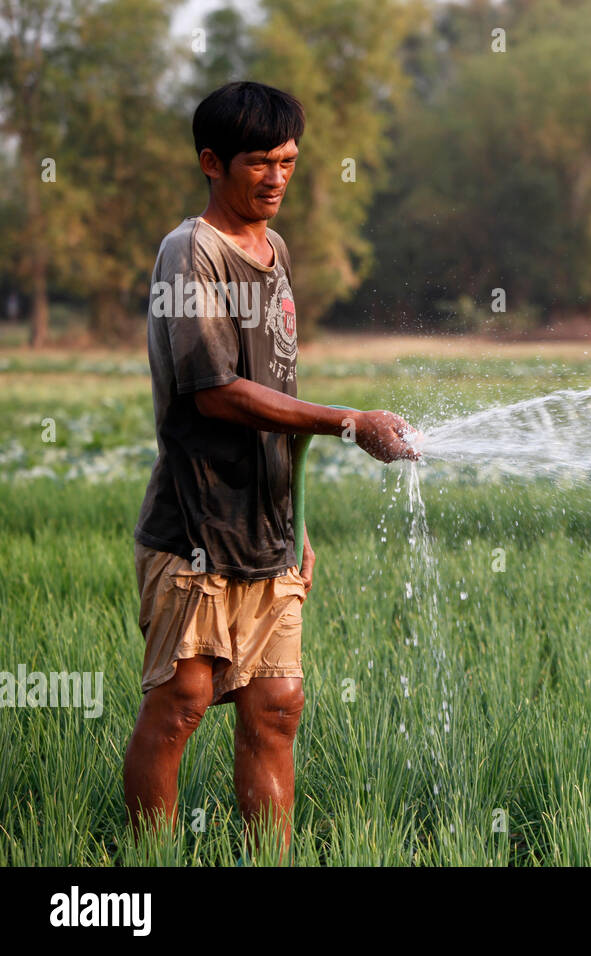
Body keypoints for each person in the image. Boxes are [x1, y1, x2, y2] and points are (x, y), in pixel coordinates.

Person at [124, 81, 420, 859]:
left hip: (270, 527)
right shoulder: (192, 252)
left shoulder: (274, 250)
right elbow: (217, 393)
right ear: (212, 163)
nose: (278, 177)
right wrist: (349, 422)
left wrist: (299, 519)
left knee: (277, 706)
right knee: (184, 701)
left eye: (289, 162)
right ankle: (149, 865)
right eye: (261, 163)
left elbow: (276, 389)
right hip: (195, 525)